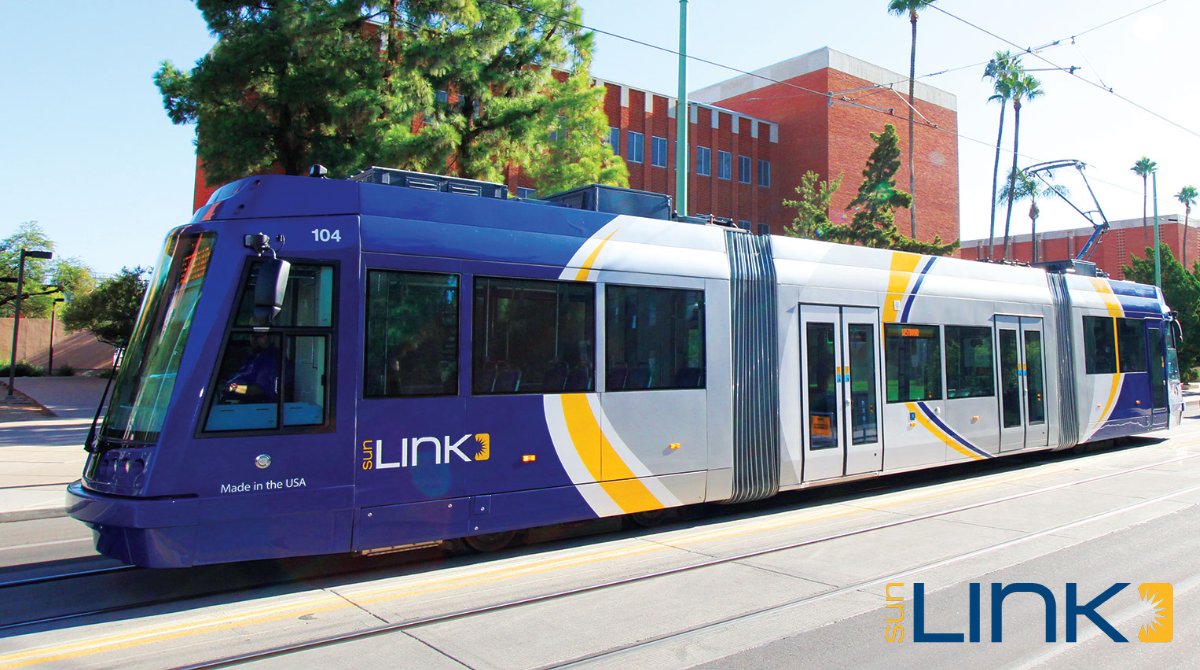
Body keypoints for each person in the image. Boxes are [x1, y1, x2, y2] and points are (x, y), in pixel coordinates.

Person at [224, 333, 280, 401]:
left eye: (260, 335)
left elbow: (257, 390)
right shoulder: (253, 357)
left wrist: (230, 388)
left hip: (256, 404)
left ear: (270, 337)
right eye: (252, 335)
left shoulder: (270, 359)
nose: (255, 339)